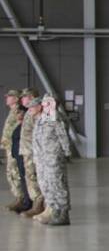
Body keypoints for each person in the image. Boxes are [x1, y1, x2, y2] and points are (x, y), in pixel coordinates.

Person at [32, 95, 73, 226]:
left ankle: (63, 214)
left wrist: (67, 152)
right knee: (46, 184)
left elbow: (62, 135)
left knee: (57, 184)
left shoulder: (54, 116)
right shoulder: (43, 118)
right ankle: (54, 211)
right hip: (42, 158)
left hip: (53, 157)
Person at [4, 89, 30, 213]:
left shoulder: (19, 111)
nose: (7, 98)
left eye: (9, 96)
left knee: (16, 173)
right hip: (9, 146)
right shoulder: (12, 111)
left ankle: (22, 198)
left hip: (16, 146)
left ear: (15, 98)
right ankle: (19, 197)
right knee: (11, 174)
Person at [18, 90, 43, 219]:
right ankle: (34, 202)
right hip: (27, 150)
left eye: (24, 97)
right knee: (29, 177)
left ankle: (38, 205)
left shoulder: (37, 112)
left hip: (33, 151)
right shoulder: (29, 111)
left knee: (34, 176)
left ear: (32, 97)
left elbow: (39, 132)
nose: (22, 99)